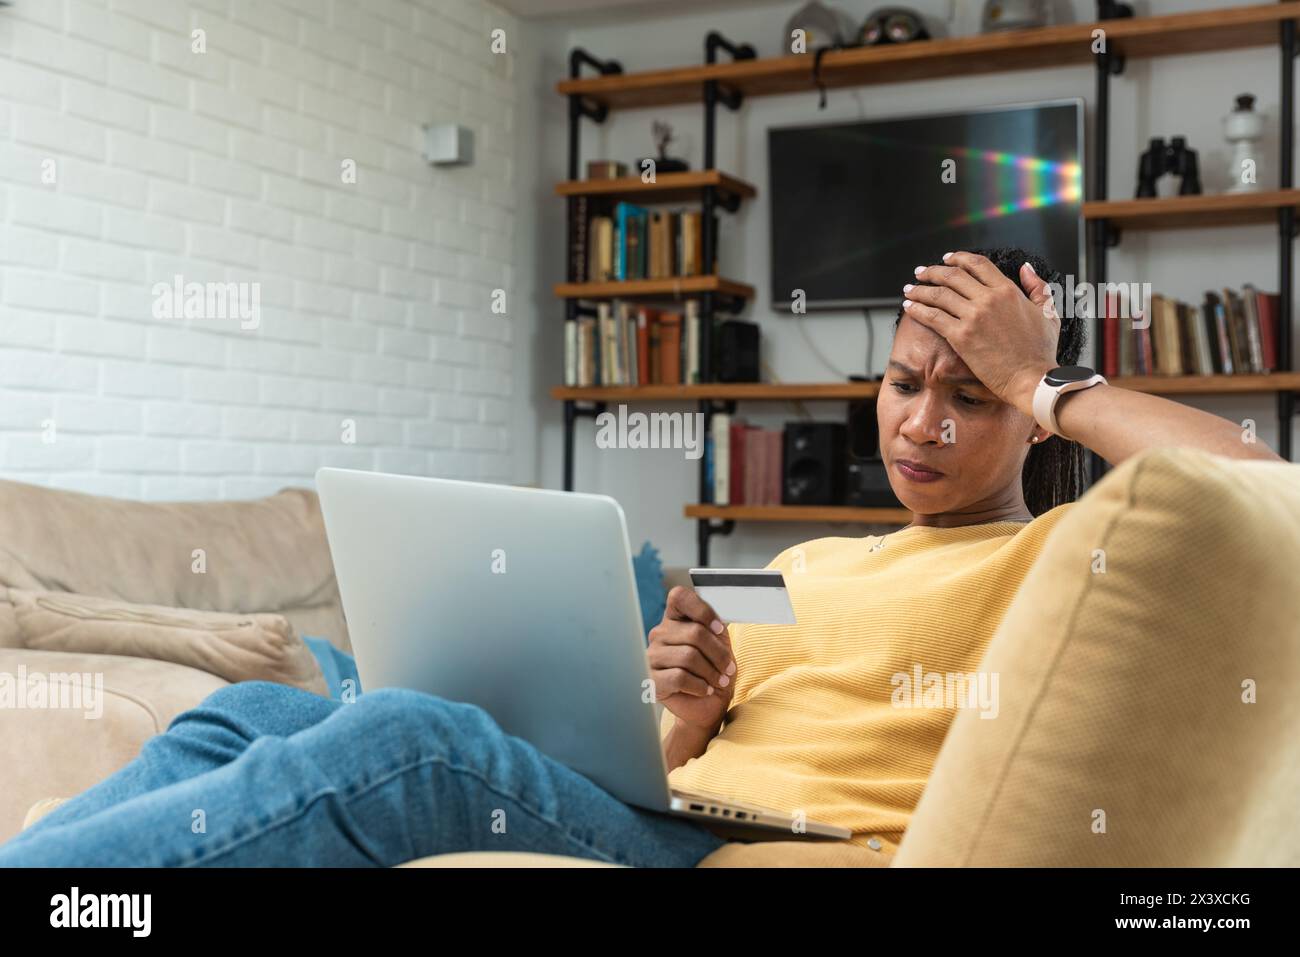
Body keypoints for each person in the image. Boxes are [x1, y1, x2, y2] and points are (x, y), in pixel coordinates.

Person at [0, 248, 1278, 867]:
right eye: (902, 385)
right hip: (674, 804)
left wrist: (1043, 376)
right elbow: (663, 752)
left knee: (405, 739)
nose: (923, 423)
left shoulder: (1054, 553)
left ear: (1025, 421)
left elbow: (1258, 489)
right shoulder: (810, 564)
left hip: (776, 845)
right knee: (255, 707)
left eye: (972, 398)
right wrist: (683, 704)